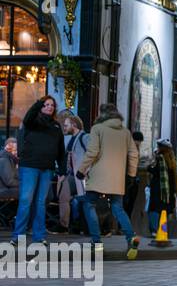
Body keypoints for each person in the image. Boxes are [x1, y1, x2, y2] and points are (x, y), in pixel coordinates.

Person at [76, 104, 140, 257]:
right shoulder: (125, 132)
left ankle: (96, 242)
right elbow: (134, 155)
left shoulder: (97, 129)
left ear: (102, 115)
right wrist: (131, 175)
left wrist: (81, 170)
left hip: (98, 176)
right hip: (117, 179)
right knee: (118, 208)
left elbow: (92, 152)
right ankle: (131, 238)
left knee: (89, 204)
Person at [11, 96, 65, 245]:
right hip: (29, 167)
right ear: (40, 106)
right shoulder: (32, 122)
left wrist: (62, 170)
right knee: (25, 201)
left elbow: (61, 150)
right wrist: (38, 103)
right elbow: (28, 116)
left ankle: (39, 237)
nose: (49, 107)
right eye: (46, 105)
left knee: (40, 203)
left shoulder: (56, 126)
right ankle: (18, 237)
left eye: (52, 105)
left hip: (47, 169)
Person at [58, 113, 90, 234]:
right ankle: (64, 225)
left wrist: (86, 171)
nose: (64, 128)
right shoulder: (71, 140)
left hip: (82, 175)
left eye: (66, 125)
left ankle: (84, 226)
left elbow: (93, 154)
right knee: (63, 196)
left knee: (83, 200)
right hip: (72, 175)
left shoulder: (85, 137)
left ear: (74, 125)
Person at [146, 139, 177, 239]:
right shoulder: (171, 159)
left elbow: (155, 171)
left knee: (153, 209)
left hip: (158, 189)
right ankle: (162, 231)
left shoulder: (160, 158)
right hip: (168, 191)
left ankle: (154, 231)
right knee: (163, 211)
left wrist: (149, 167)